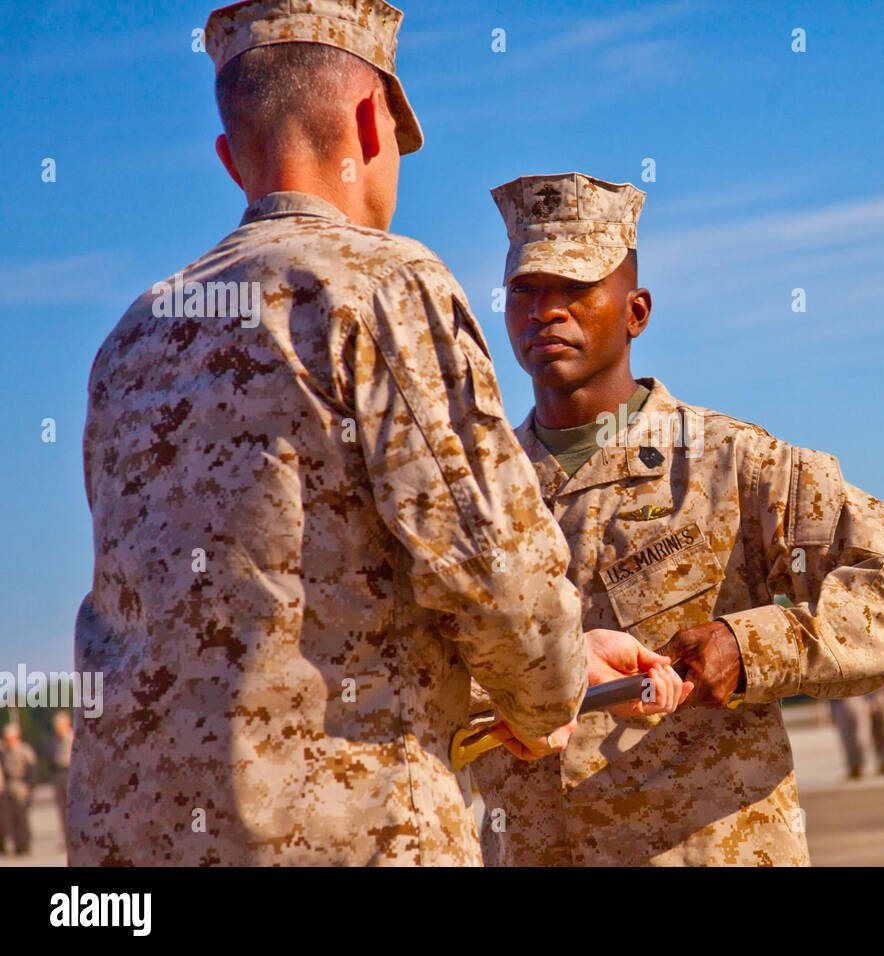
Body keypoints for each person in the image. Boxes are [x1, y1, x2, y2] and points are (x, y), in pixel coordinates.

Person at [69, 2, 666, 866]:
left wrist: (564, 658)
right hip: (346, 838)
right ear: (366, 123)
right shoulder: (382, 283)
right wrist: (556, 687)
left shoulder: (131, 336)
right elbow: (493, 570)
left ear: (231, 159)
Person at [473, 172, 884, 865]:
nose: (545, 311)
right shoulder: (479, 495)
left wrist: (751, 647)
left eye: (575, 288)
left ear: (636, 311)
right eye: (525, 290)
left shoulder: (730, 465)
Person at [0, 723, 37, 856]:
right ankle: (16, 844)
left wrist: (30, 787)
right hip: (8, 785)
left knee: (22, 817)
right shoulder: (4, 751)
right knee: (10, 818)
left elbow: (32, 770)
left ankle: (24, 844)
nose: (8, 741)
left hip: (21, 785)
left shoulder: (24, 750)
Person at [48, 711, 73, 843]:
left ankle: (75, 836)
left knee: (73, 807)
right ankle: (66, 838)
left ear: (67, 724)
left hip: (70, 774)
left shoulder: (74, 737)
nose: (57, 729)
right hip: (58, 775)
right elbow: (50, 757)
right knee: (61, 808)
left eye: (59, 726)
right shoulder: (54, 740)